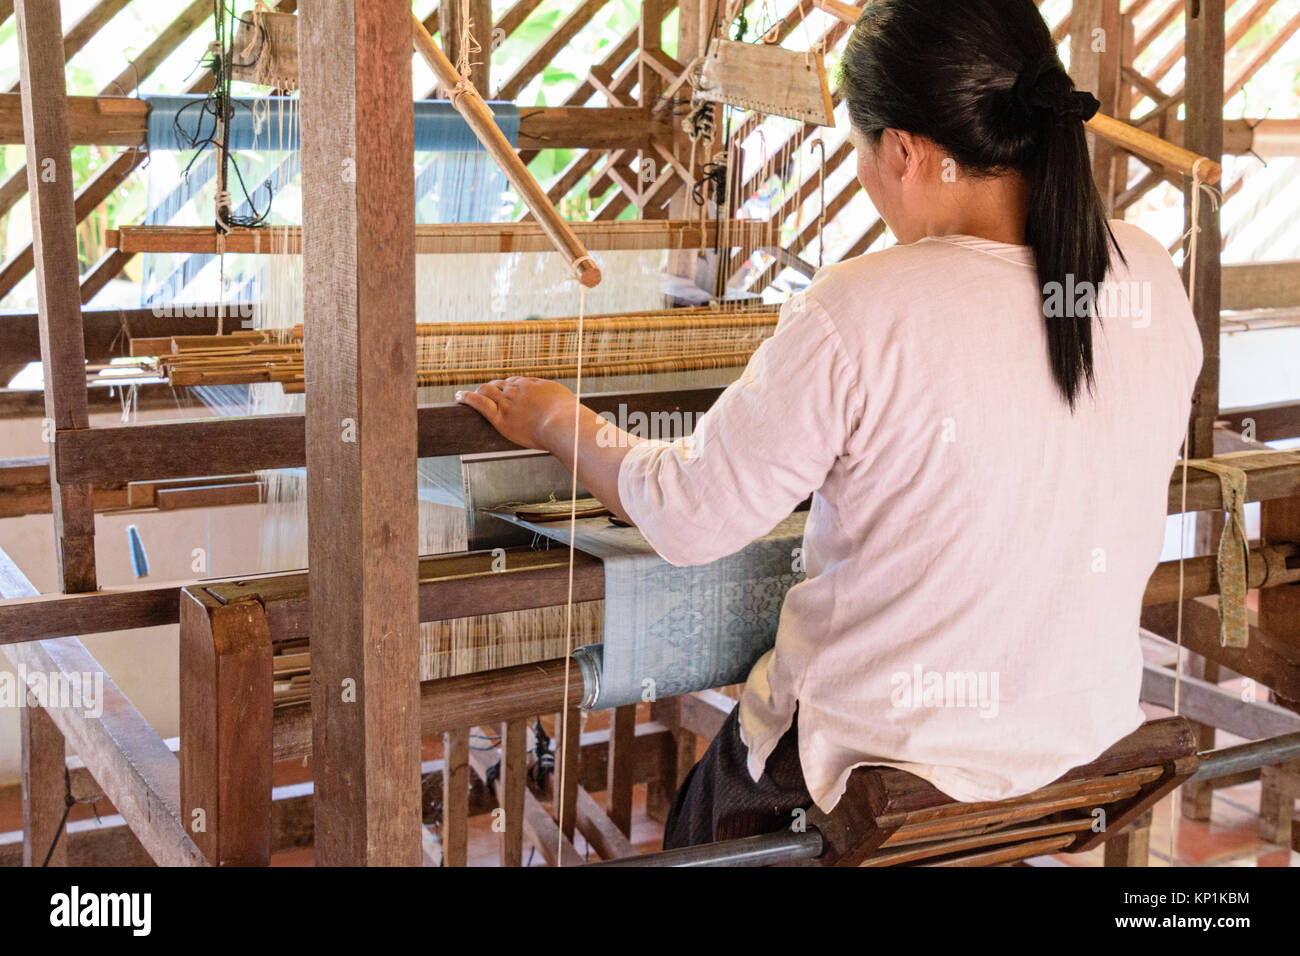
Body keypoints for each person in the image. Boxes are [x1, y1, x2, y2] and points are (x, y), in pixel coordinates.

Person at [456, 0, 1203, 849]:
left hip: (871, 776)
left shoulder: (857, 308)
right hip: (1070, 752)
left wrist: (560, 420)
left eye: (858, 151)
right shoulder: (1147, 271)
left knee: (706, 821)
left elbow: (690, 516)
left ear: (906, 152)